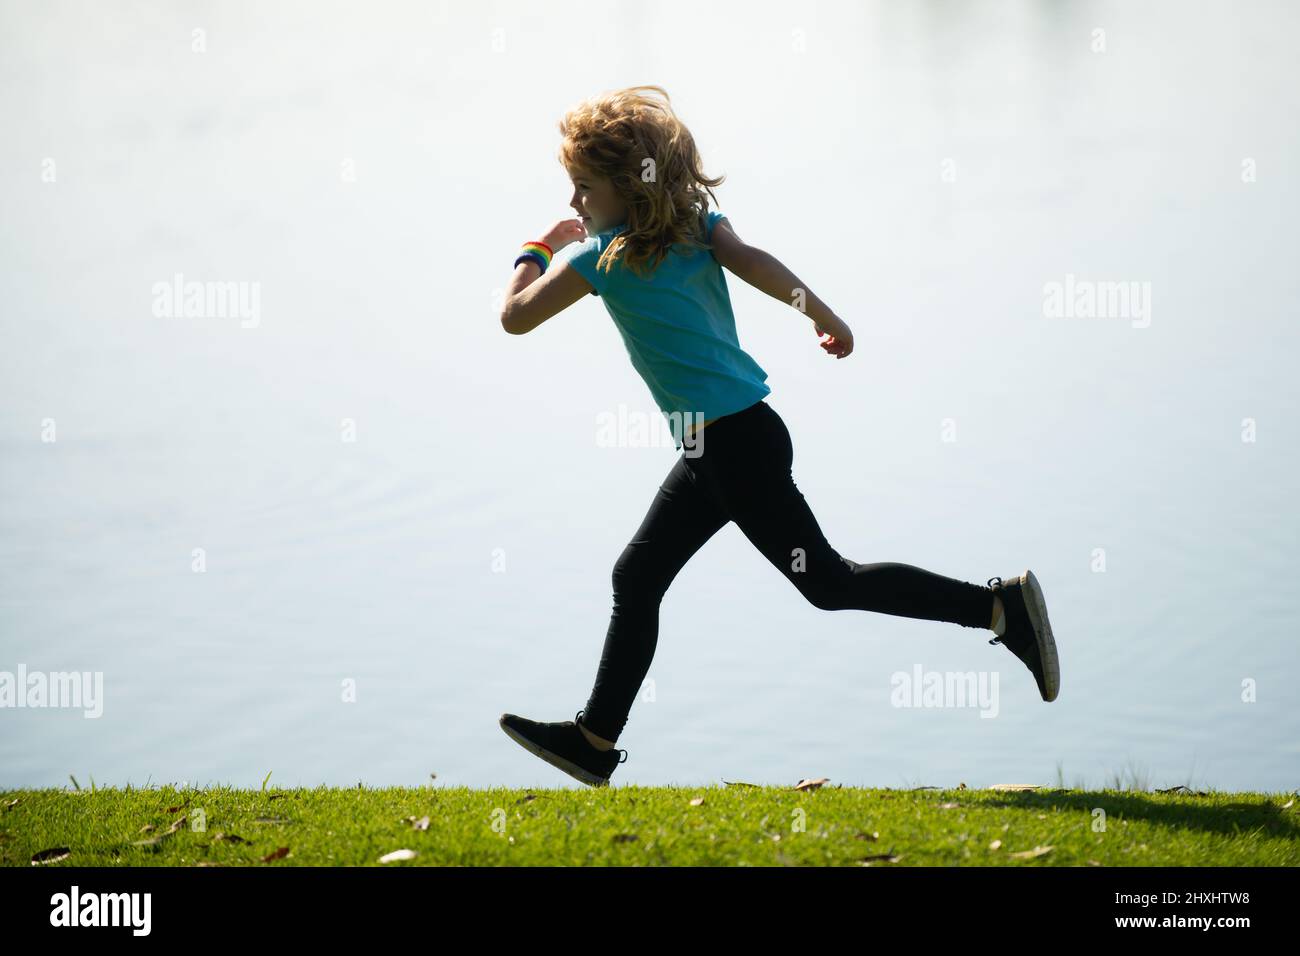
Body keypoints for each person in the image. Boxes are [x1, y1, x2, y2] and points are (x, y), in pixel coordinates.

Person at [497, 86, 1059, 788]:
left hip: (732, 448)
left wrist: (537, 247)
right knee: (638, 576)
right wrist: (821, 314)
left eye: (584, 189)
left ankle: (1000, 607)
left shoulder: (596, 262)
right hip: (732, 443)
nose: (576, 204)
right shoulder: (697, 224)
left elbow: (515, 316)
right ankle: (592, 741)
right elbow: (757, 262)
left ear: (627, 188)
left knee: (826, 581)